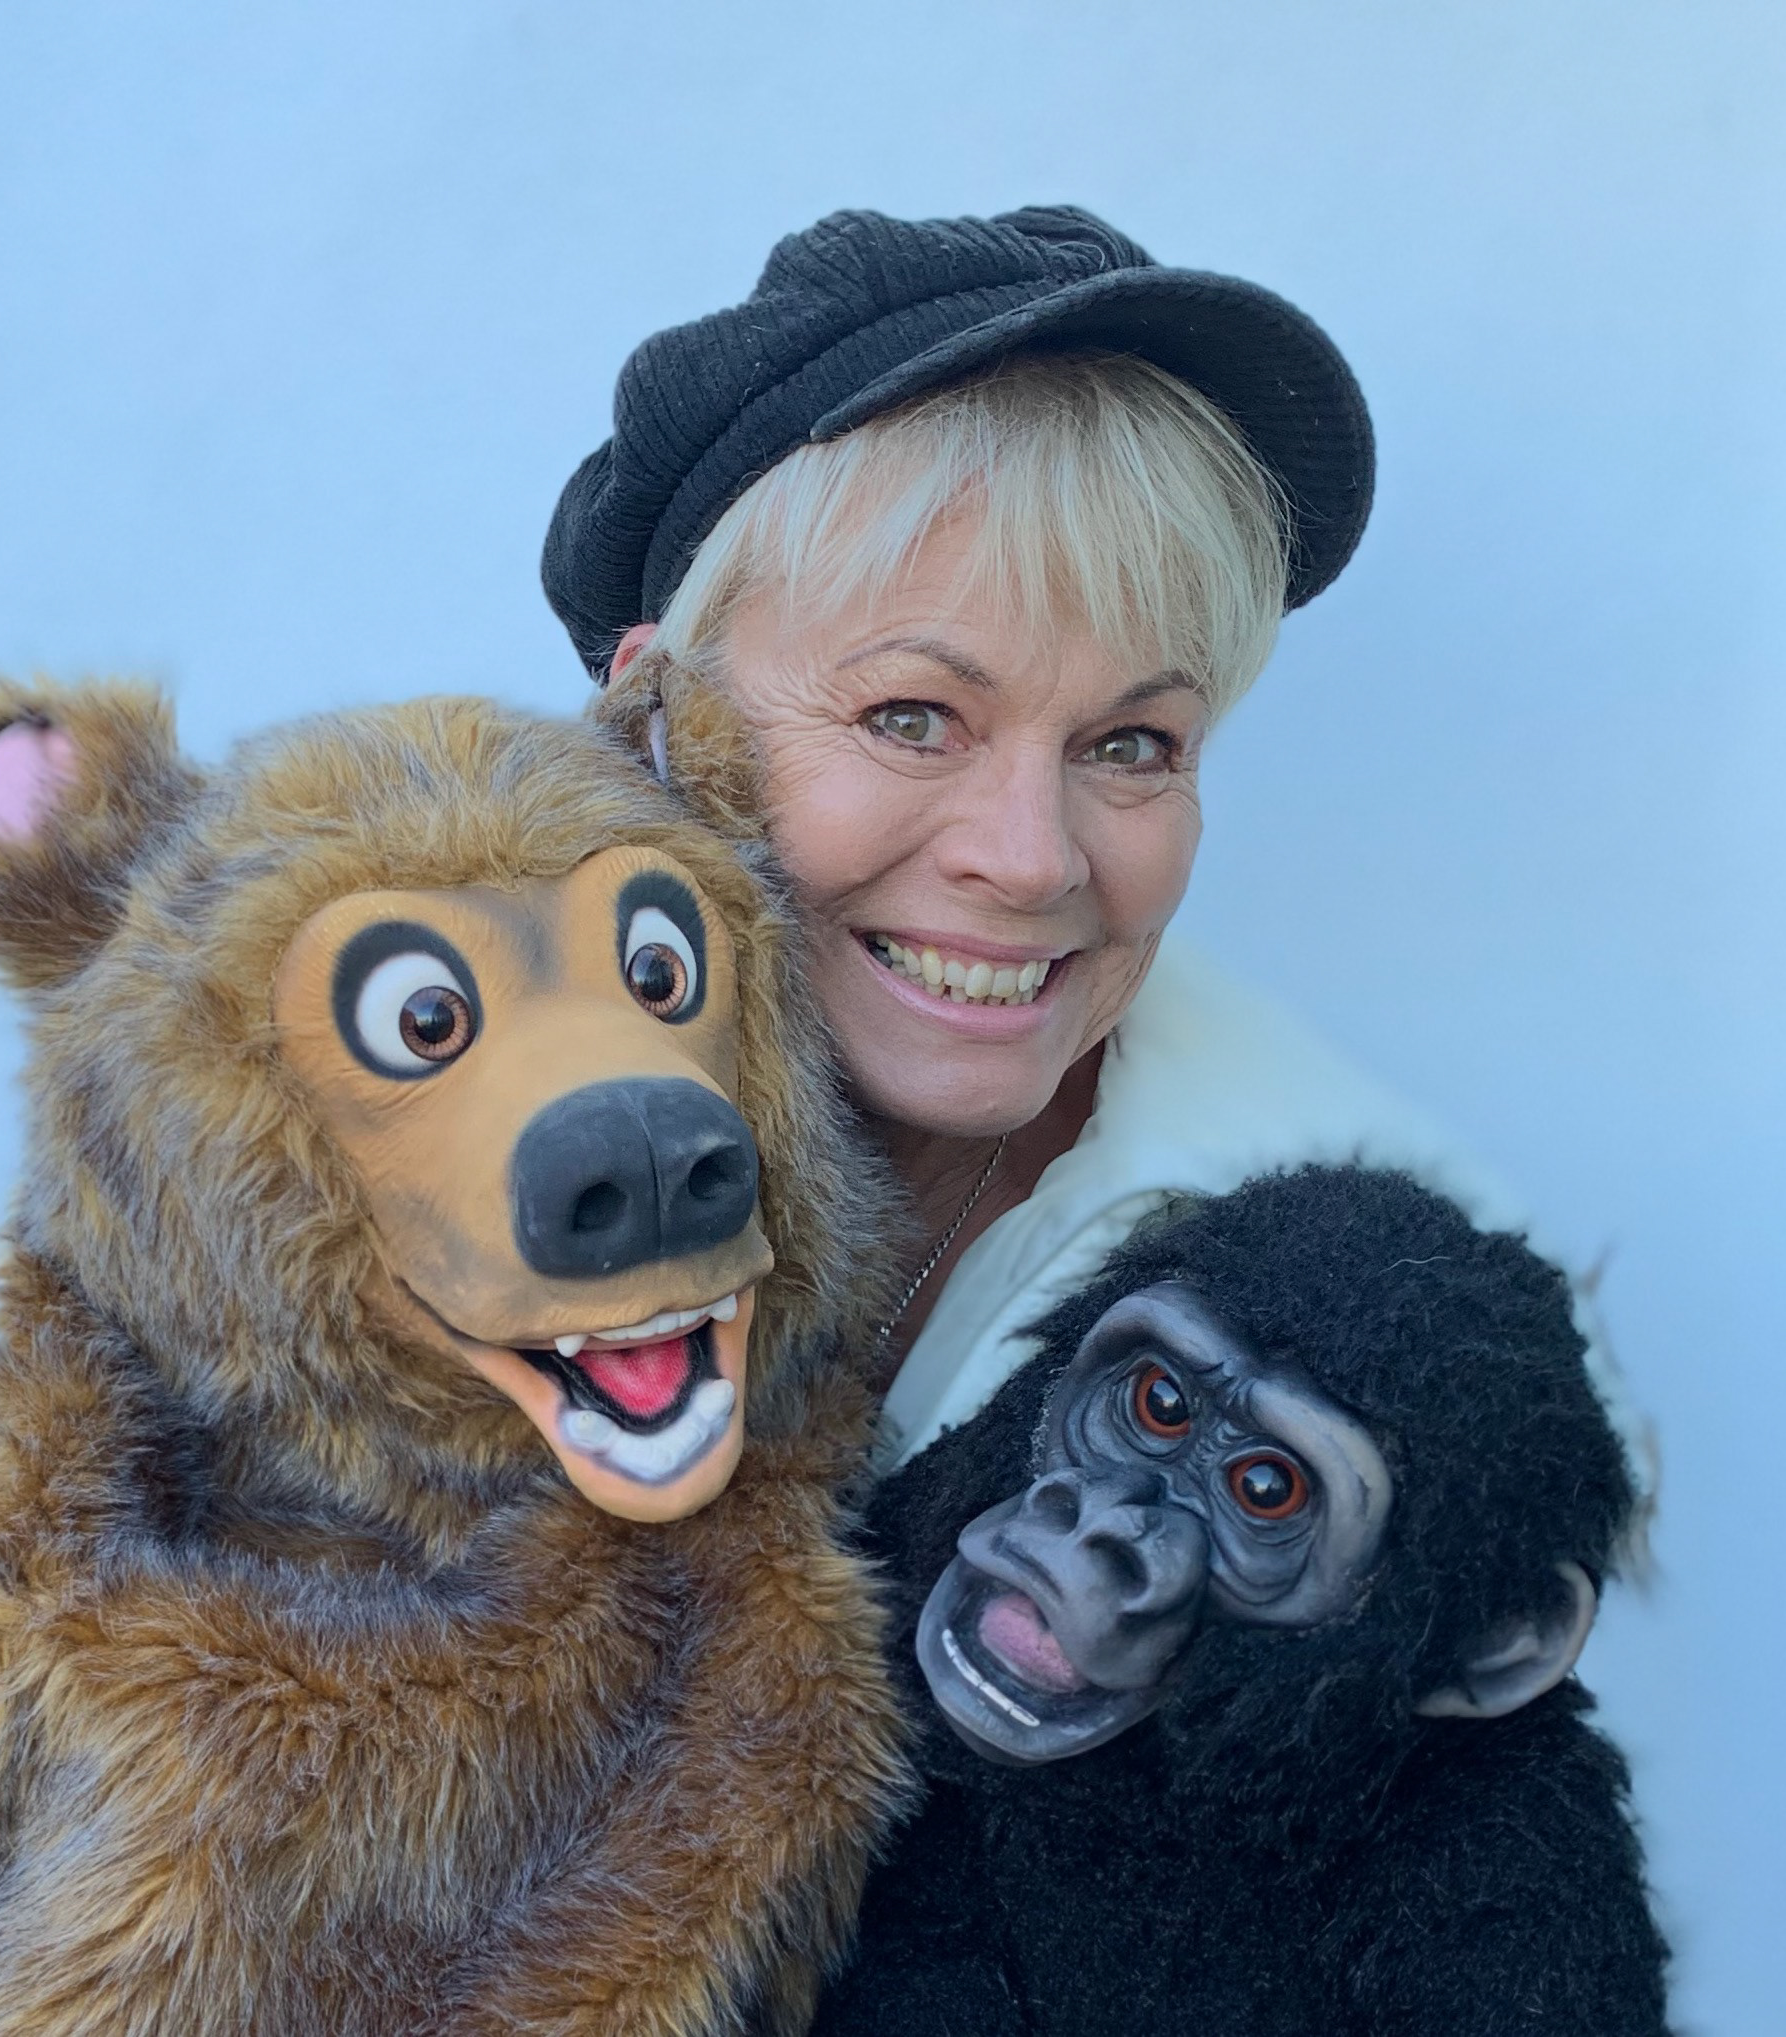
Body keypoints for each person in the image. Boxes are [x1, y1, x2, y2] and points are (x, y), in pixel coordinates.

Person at [541, 202, 1582, 1472]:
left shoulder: (1392, 1334)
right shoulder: (368, 1127)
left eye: (1129, 745)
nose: (1031, 858)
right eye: (911, 718)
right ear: (651, 718)